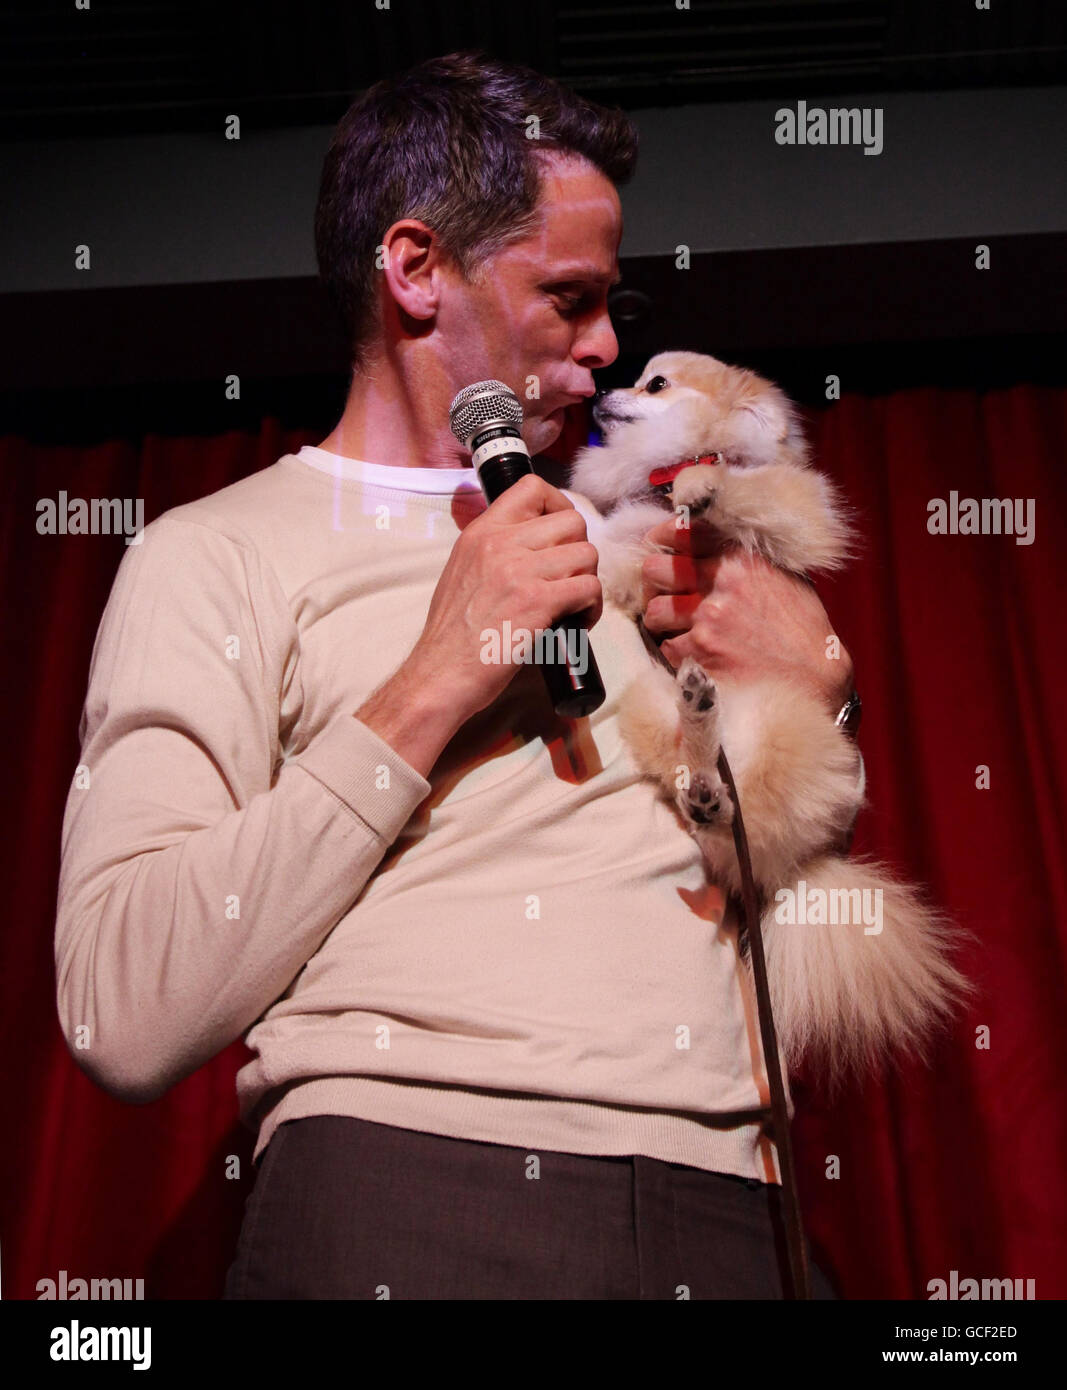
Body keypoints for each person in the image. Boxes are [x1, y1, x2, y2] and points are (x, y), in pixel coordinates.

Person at [55, 51, 857, 1300]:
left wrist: (818, 682)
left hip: (735, 1201)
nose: (603, 350)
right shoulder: (212, 555)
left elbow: (787, 855)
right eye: (568, 298)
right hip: (412, 1188)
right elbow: (124, 1003)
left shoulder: (652, 531)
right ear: (415, 270)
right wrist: (433, 677)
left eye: (612, 309)